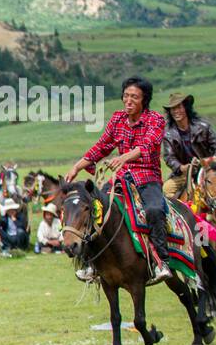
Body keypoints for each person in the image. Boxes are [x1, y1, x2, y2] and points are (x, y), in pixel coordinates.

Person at [64, 76, 171, 281]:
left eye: (135, 97)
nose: (129, 100)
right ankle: (91, 263)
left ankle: (161, 262)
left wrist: (125, 156)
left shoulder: (155, 120)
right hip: (121, 180)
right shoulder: (118, 119)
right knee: (95, 209)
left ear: (144, 100)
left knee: (154, 210)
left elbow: (147, 146)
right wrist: (77, 167)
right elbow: (102, 146)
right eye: (126, 95)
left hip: (147, 178)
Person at [162, 92, 216, 200]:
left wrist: (215, 158)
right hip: (184, 174)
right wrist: (181, 167)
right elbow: (169, 157)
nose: (176, 111)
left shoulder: (203, 126)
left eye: (179, 107)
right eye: (173, 109)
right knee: (166, 189)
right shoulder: (168, 134)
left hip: (208, 169)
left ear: (186, 108)